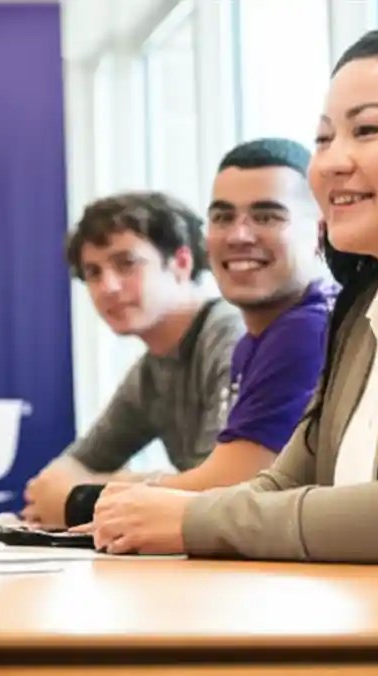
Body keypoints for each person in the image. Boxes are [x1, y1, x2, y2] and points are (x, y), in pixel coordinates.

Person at [88, 27, 378, 589]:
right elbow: (280, 484)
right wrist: (147, 505)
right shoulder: (364, 304)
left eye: (368, 130)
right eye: (325, 138)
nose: (333, 162)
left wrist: (191, 517)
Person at [75, 139, 332, 528]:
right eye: (223, 218)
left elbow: (228, 487)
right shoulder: (256, 338)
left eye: (266, 216)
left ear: (319, 231)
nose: (239, 235)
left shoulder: (307, 326)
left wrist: (82, 499)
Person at [21, 192, 244, 527]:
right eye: (93, 273)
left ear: (181, 263)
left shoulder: (232, 335)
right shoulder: (149, 372)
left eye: (126, 264)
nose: (108, 286)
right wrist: (65, 491)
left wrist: (88, 493)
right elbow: (62, 475)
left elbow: (222, 485)